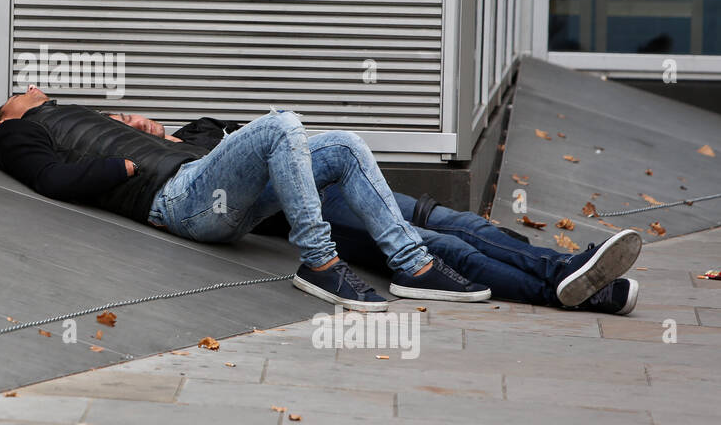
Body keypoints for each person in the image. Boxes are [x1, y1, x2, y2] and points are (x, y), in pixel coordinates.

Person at [0, 86, 491, 312]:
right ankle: (318, 262)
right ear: (2, 116)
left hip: (205, 189)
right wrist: (117, 168)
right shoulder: (13, 131)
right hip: (177, 200)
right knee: (281, 123)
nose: (32, 87)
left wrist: (156, 137)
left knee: (344, 145)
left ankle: (415, 267)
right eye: (21, 91)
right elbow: (51, 179)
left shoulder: (74, 115)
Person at [108, 112, 642, 315]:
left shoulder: (200, 132)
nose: (135, 121)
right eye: (122, 121)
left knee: (466, 225)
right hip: (315, 211)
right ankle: (568, 285)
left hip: (346, 186)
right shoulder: (185, 179)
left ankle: (569, 275)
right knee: (451, 249)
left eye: (134, 114)